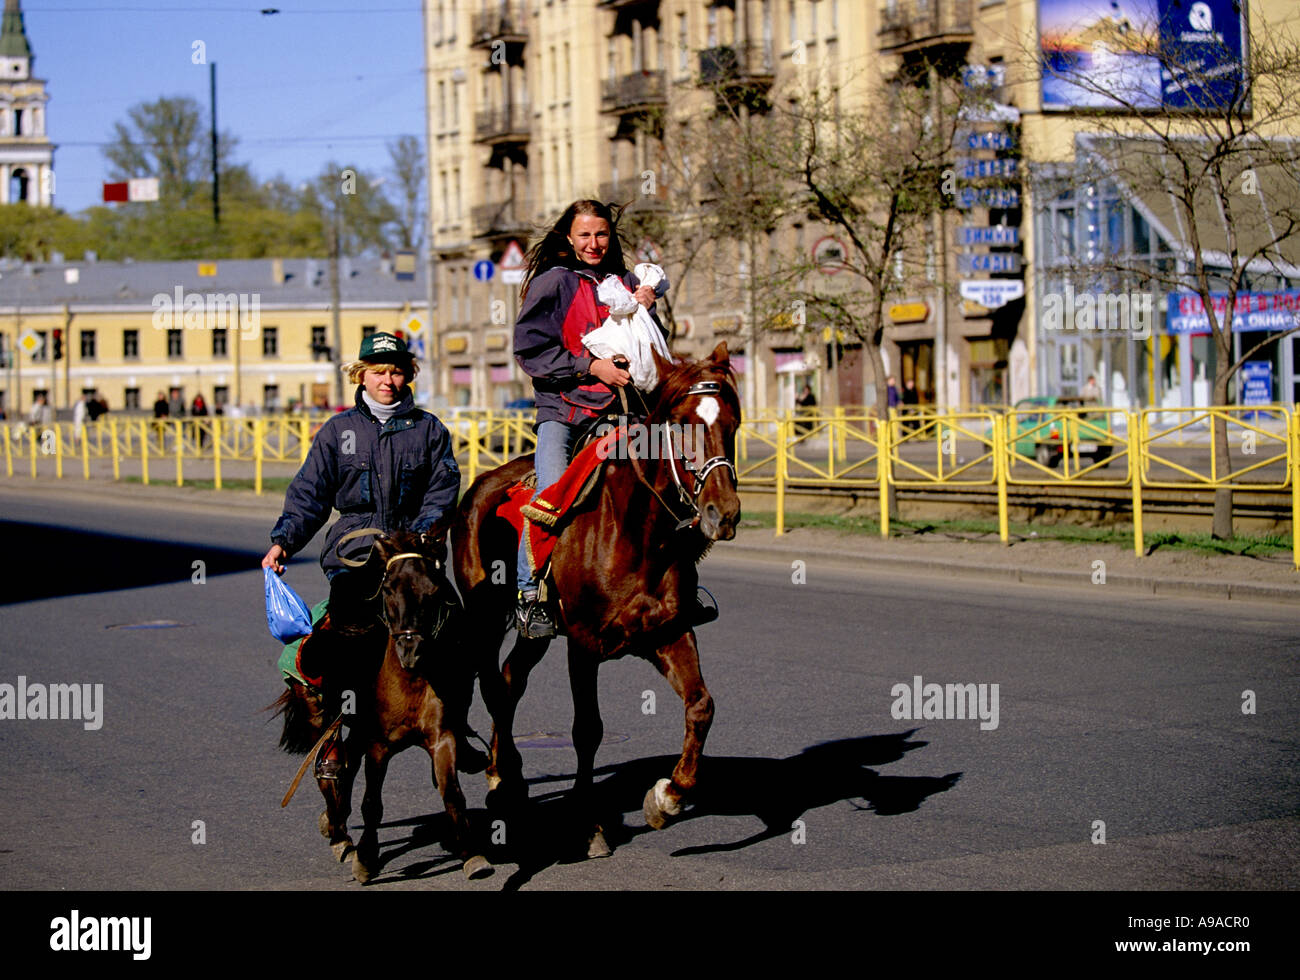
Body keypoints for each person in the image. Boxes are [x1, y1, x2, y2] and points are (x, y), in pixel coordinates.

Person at [261, 332, 466, 776]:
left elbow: (444, 486)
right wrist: (284, 541)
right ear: (361, 376)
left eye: (395, 371)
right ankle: (336, 733)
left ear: (407, 375)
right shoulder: (338, 431)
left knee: (453, 622)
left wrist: (422, 536)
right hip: (355, 554)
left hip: (414, 554)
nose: (387, 381)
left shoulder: (429, 429)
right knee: (344, 634)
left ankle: (458, 726)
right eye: (378, 372)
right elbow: (310, 493)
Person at [512, 199, 663, 639]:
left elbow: (647, 343)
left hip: (622, 408)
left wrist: (646, 309)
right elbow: (531, 350)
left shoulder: (627, 281)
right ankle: (530, 595)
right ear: (569, 238)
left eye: (601, 234)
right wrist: (590, 366)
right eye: (585, 235)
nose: (594, 243)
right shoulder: (553, 283)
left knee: (663, 482)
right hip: (563, 410)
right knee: (551, 493)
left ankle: (677, 584)